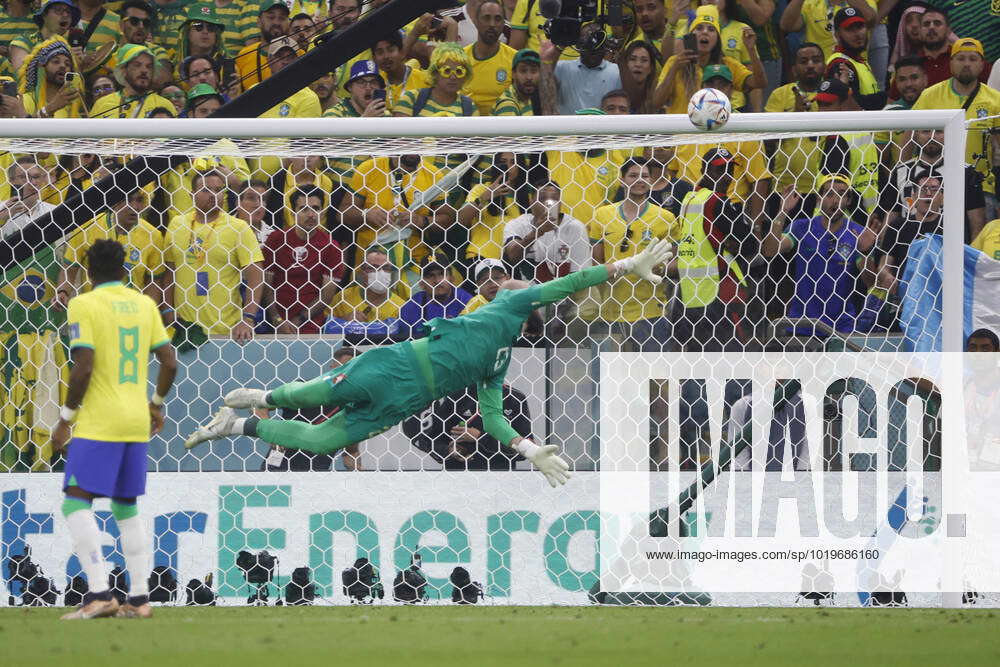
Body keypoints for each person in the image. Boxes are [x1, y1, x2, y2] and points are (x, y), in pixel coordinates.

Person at [184, 237, 674, 489]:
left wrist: (529, 450)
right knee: (320, 393)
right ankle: (264, 397)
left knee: (323, 441)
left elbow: (492, 418)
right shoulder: (505, 306)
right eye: (527, 290)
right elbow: (570, 282)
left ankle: (237, 426)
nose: (531, 295)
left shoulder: (499, 359)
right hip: (396, 365)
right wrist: (625, 266)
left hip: (405, 400)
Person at [53, 238, 178, 620]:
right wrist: (155, 404)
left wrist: (65, 419)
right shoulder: (144, 304)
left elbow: (84, 367)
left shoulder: (83, 304)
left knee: (76, 500)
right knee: (125, 506)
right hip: (136, 420)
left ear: (89, 271)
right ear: (124, 269)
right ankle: (138, 599)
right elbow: (169, 362)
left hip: (100, 421)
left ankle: (99, 593)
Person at [162, 168, 264, 344]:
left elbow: (256, 275)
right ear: (192, 194)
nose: (213, 195)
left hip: (226, 331)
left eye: (218, 190)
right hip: (184, 330)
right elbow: (170, 271)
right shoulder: (177, 224)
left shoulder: (238, 227)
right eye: (206, 190)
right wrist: (168, 310)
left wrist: (248, 318)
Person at [669, 148, 755, 351]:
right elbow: (749, 245)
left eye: (729, 170)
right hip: (720, 291)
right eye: (719, 170)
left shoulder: (690, 199)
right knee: (731, 357)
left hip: (690, 292)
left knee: (697, 358)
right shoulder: (718, 202)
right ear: (704, 171)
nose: (726, 176)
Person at [762, 175, 868, 335]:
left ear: (848, 201)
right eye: (829, 194)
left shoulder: (857, 233)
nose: (835, 200)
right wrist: (782, 211)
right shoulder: (801, 228)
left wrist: (865, 251)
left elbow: (870, 281)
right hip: (802, 325)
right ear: (819, 199)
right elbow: (770, 250)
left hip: (842, 329)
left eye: (841, 194)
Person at [591, 158, 679, 350]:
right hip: (609, 311)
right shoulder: (602, 215)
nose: (640, 180)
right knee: (609, 369)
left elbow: (676, 263)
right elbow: (595, 260)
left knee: (655, 368)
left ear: (651, 181)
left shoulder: (665, 218)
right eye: (633, 175)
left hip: (650, 312)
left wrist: (656, 269)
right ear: (622, 180)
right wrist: (611, 272)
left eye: (645, 176)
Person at [913, 38, 1000, 222]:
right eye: (960, 58)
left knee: (979, 237)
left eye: (972, 59)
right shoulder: (930, 95)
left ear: (982, 65)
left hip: (981, 186)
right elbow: (909, 136)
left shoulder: (995, 100)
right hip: (934, 185)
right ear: (951, 63)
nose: (966, 64)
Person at [57, 186, 164, 308]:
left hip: (130, 312)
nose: (135, 206)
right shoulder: (87, 227)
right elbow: (70, 269)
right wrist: (63, 292)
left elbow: (154, 282)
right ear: (114, 201)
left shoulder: (153, 236)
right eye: (127, 200)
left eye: (140, 200)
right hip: (94, 310)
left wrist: (148, 311)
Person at [262, 345, 363, 471]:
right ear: (332, 367)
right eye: (345, 367)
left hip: (316, 474)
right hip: (277, 468)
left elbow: (351, 451)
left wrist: (359, 472)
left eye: (355, 369)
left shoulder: (353, 404)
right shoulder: (304, 388)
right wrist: (271, 433)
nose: (349, 372)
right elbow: (259, 407)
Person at [263, 185, 345, 334]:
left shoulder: (331, 247)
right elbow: (266, 285)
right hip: (272, 321)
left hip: (310, 324)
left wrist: (299, 320)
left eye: (316, 208)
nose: (311, 214)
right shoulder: (276, 239)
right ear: (293, 213)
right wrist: (277, 319)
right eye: (304, 209)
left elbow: (326, 295)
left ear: (322, 212)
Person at [652, 4, 763, 113]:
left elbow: (759, 83)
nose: (705, 32)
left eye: (711, 29)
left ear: (717, 39)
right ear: (691, 35)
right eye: (699, 28)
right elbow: (656, 102)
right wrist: (674, 69)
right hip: (682, 125)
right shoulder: (675, 62)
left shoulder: (728, 64)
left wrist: (751, 51)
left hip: (718, 124)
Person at [402, 383, 531, 470]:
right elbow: (432, 439)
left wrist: (480, 437)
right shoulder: (452, 396)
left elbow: (525, 451)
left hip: (502, 480)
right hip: (457, 480)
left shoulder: (515, 398)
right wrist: (449, 450)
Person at [765, 42, 826, 194]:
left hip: (826, 189)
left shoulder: (834, 94)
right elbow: (768, 141)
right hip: (786, 187)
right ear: (793, 69)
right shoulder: (780, 94)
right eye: (804, 62)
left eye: (816, 60)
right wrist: (795, 115)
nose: (810, 65)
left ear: (824, 65)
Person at [503, 182, 592, 283]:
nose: (548, 203)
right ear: (531, 202)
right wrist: (537, 232)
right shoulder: (518, 224)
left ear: (560, 203)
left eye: (554, 199)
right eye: (542, 198)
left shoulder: (575, 227)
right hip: (527, 291)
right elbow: (512, 257)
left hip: (565, 290)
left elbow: (580, 275)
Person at [457, 152, 530, 275]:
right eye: (503, 162)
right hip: (482, 258)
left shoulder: (528, 196)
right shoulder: (481, 189)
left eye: (513, 162)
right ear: (496, 164)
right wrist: (485, 197)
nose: (508, 167)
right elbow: (461, 219)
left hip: (514, 262)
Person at [539, 27, 623, 115]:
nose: (593, 50)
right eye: (587, 44)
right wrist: (557, 49)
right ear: (578, 45)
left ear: (605, 46)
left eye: (598, 45)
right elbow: (543, 88)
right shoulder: (561, 67)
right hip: (569, 124)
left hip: (604, 124)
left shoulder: (617, 71)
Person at [394, 42, 478, 118]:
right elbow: (400, 129)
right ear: (435, 73)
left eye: (459, 71)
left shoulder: (469, 107)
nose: (453, 77)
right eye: (447, 71)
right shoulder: (411, 98)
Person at [398, 254, 473, 338]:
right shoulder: (410, 308)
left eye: (442, 274)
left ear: (452, 279)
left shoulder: (467, 302)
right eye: (430, 276)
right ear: (421, 284)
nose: (437, 281)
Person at [824, 6, 884, 110]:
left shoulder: (858, 61)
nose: (857, 34)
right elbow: (850, 105)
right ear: (837, 35)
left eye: (860, 27)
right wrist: (883, 98)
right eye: (849, 29)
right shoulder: (840, 64)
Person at [90, 43, 173, 118]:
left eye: (149, 67)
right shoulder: (101, 104)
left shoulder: (164, 105)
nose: (144, 70)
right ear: (123, 70)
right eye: (137, 65)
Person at [462, 0, 515, 115]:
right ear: (476, 21)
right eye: (486, 18)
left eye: (498, 19)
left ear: (503, 23)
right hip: (466, 123)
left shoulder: (514, 59)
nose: (492, 24)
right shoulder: (460, 58)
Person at [18, 36, 85, 119]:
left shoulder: (71, 110)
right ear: (42, 68)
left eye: (67, 64)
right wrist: (51, 108)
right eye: (56, 62)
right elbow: (20, 126)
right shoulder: (26, 100)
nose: (63, 66)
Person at [234, 0, 290, 89]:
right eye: (271, 17)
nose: (276, 22)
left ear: (288, 23)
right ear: (258, 22)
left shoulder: (299, 54)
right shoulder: (244, 55)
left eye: (282, 18)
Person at [0, 157, 56, 238]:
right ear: (11, 181)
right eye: (24, 177)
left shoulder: (53, 211)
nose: (33, 182)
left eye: (36, 177)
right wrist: (2, 219)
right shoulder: (1, 210)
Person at [370, 31, 427, 110]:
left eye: (391, 50)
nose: (386, 56)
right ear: (374, 59)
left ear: (401, 52)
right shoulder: (373, 84)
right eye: (380, 53)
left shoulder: (424, 80)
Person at [492, 48, 539, 116]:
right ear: (513, 74)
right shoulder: (508, 106)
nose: (529, 77)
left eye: (533, 71)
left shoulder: (526, 97)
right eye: (523, 71)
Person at [617, 40, 659, 114]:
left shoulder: (658, 97)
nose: (638, 64)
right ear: (625, 64)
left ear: (651, 68)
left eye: (644, 60)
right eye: (632, 59)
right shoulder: (615, 92)